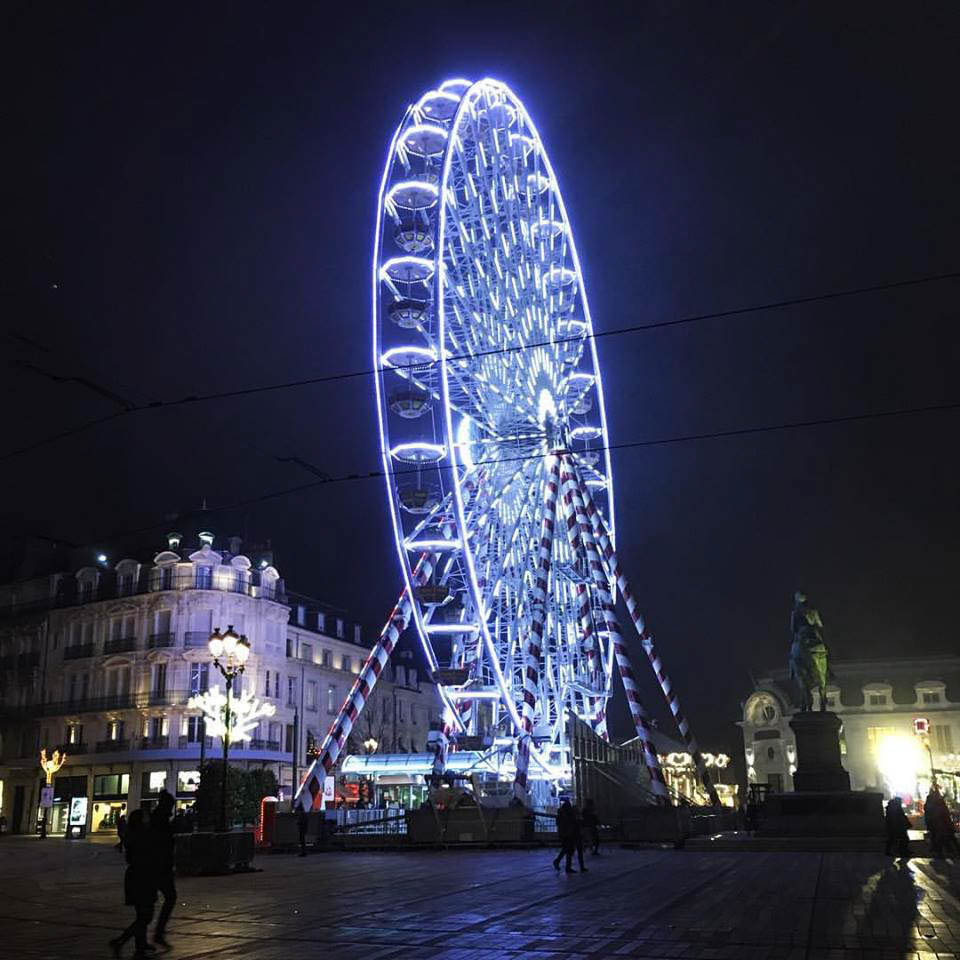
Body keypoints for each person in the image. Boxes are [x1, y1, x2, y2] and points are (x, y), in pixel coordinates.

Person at [109, 809, 157, 958]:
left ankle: (140, 945)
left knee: (142, 913)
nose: (148, 820)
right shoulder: (141, 836)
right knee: (145, 916)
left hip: (135, 876)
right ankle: (121, 941)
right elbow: (146, 855)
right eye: (145, 818)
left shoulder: (132, 834)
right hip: (142, 877)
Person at [151, 790, 177, 948]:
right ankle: (158, 933)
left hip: (158, 867)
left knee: (147, 908)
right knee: (168, 898)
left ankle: (155, 935)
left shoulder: (158, 819)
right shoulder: (160, 821)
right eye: (171, 806)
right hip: (158, 867)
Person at [552, 799, 578, 873]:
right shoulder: (567, 815)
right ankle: (564, 865)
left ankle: (563, 864)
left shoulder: (561, 814)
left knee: (567, 849)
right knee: (568, 849)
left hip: (564, 834)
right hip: (567, 833)